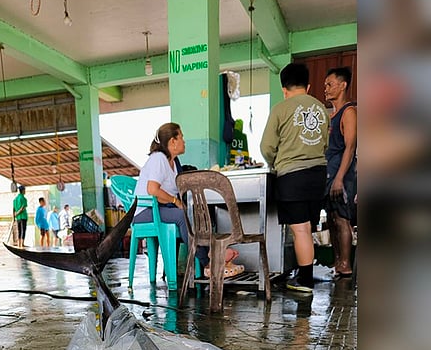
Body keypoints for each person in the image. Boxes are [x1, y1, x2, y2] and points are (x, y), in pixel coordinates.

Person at [134, 123, 238, 280]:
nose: (184, 141)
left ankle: (213, 251)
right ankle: (207, 263)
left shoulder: (175, 162)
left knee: (196, 213)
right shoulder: (158, 159)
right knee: (182, 215)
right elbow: (152, 190)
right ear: (172, 141)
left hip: (161, 208)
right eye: (181, 137)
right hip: (144, 211)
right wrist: (175, 201)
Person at [261, 63, 330, 293]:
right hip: (318, 174)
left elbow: (266, 147)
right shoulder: (321, 108)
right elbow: (325, 144)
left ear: (284, 88)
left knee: (299, 230)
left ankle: (305, 281)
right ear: (308, 86)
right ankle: (304, 275)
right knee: (307, 229)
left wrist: (276, 162)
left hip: (293, 175)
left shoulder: (281, 109)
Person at [324, 66, 357, 279]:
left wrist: (338, 178)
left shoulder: (349, 112)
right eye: (325, 85)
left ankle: (345, 265)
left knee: (342, 219)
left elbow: (351, 146)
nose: (325, 89)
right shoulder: (332, 115)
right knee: (332, 218)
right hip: (330, 174)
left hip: (342, 176)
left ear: (343, 85)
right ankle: (337, 262)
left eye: (330, 84)